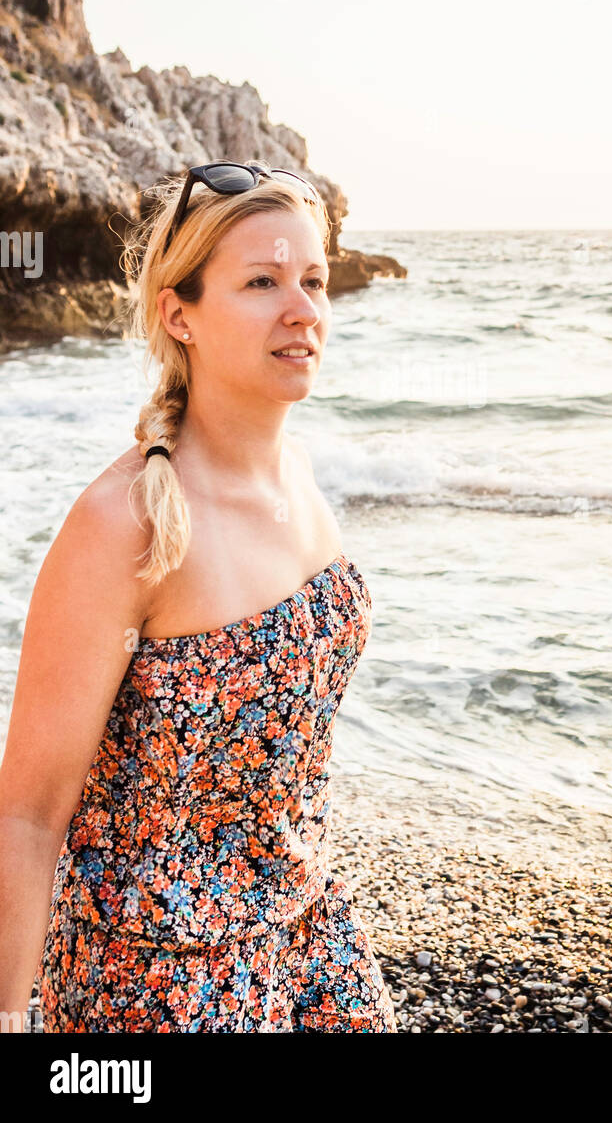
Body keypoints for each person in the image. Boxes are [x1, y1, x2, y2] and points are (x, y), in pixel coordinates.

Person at [0, 162, 396, 1032]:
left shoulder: (297, 468)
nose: (303, 310)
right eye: (262, 282)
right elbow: (28, 813)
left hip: (305, 931)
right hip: (160, 980)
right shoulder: (127, 523)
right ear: (180, 314)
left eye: (314, 280)